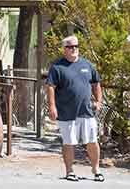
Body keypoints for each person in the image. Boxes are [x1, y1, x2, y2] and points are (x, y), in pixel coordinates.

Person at [46, 35, 104, 182]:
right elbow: (51, 87)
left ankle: (96, 169)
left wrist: (98, 101)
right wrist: (52, 106)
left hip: (86, 111)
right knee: (69, 142)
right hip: (66, 112)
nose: (74, 49)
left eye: (76, 46)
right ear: (64, 49)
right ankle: (69, 171)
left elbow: (96, 84)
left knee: (92, 141)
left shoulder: (87, 65)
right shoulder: (57, 67)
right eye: (70, 47)